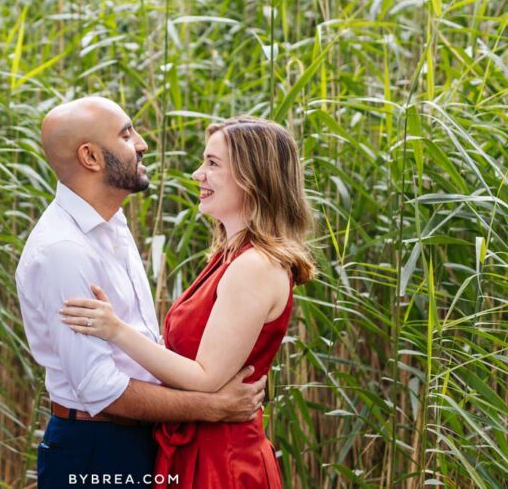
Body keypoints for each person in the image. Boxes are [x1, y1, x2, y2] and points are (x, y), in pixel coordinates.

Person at [16, 98, 268, 488]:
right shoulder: (63, 251)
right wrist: (213, 407)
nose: (142, 143)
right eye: (126, 134)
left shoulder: (112, 222)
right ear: (90, 157)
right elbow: (101, 389)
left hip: (140, 438)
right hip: (96, 450)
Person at [60, 116, 316, 488]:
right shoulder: (230, 257)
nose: (198, 174)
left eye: (212, 164)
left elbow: (206, 378)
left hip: (223, 462)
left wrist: (116, 330)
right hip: (200, 447)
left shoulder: (255, 266)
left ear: (252, 177)